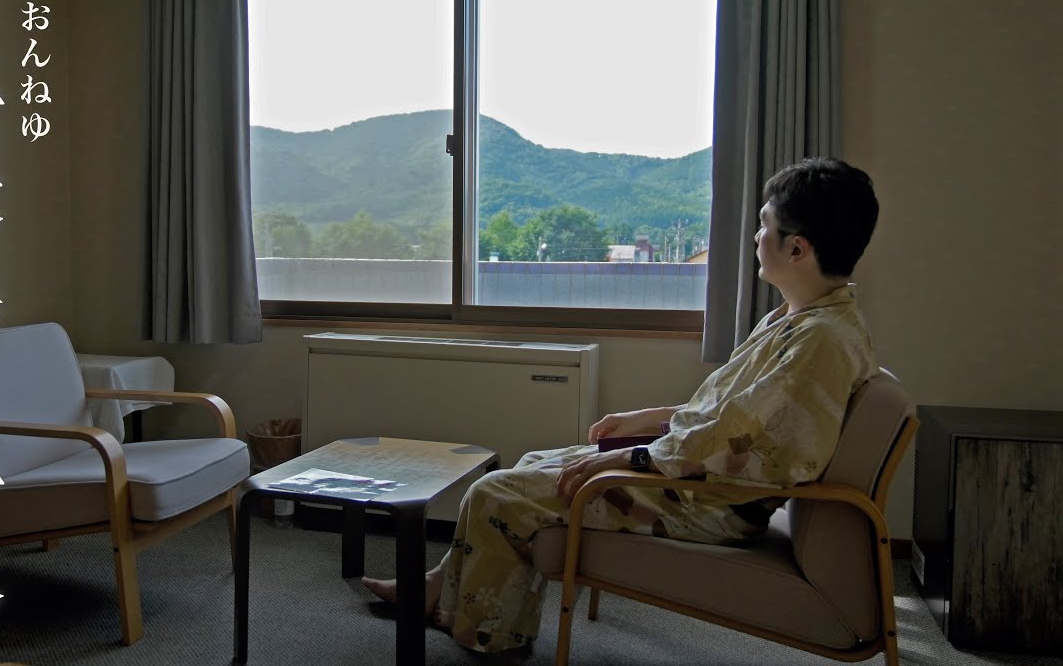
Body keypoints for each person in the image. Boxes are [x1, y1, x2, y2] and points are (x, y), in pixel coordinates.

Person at [363, 157, 882, 653]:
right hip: (695, 480)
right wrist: (644, 421)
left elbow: (727, 436)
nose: (755, 237)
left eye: (765, 226)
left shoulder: (819, 341)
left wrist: (624, 458)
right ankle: (444, 590)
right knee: (531, 463)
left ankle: (485, 634)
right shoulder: (799, 321)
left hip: (705, 502)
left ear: (797, 250)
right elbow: (727, 414)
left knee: (497, 492)